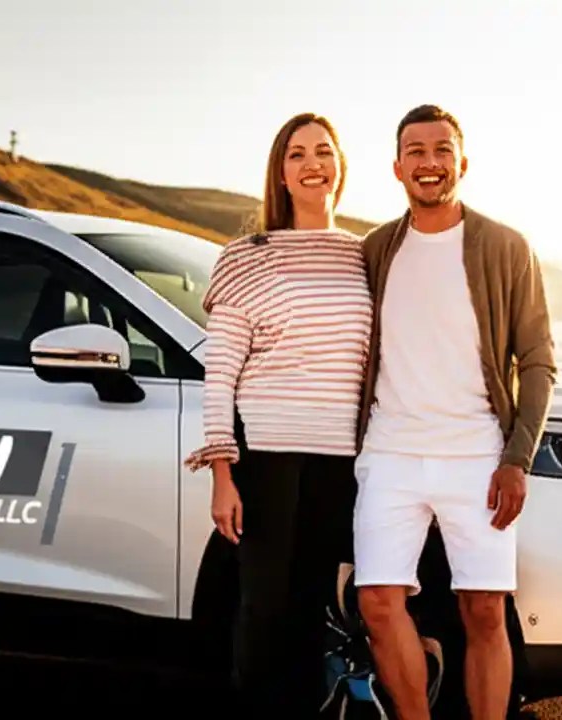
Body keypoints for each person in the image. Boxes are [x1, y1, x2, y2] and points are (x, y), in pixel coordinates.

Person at [352, 104, 556, 720]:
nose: (429, 162)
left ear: (462, 162)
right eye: (416, 151)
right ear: (396, 167)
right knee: (379, 604)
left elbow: (538, 360)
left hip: (477, 457)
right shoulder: (375, 250)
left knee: (484, 610)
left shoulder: (505, 247)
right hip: (390, 452)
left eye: (441, 150)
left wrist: (517, 458)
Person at [183, 112, 371, 717]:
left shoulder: (364, 258)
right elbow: (221, 373)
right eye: (296, 154)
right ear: (281, 174)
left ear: (340, 166)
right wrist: (222, 474)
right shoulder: (247, 257)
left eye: (322, 151)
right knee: (262, 612)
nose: (311, 163)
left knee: (314, 612)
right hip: (267, 458)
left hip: (340, 462)